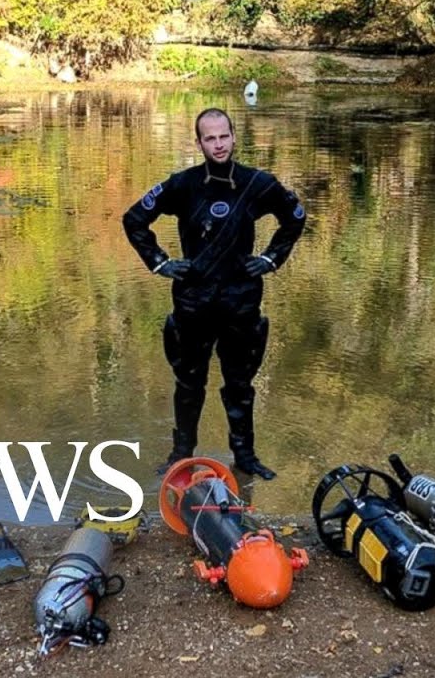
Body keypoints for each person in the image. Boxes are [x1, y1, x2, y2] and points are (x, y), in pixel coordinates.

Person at [123, 107, 306, 480]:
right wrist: (160, 263)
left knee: (240, 385)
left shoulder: (257, 184)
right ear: (199, 142)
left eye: (224, 136)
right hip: (194, 300)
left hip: (240, 300)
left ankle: (245, 458)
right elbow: (134, 220)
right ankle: (180, 455)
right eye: (210, 138)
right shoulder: (183, 185)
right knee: (189, 383)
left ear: (234, 136)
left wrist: (271, 258)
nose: (218, 144)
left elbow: (295, 217)